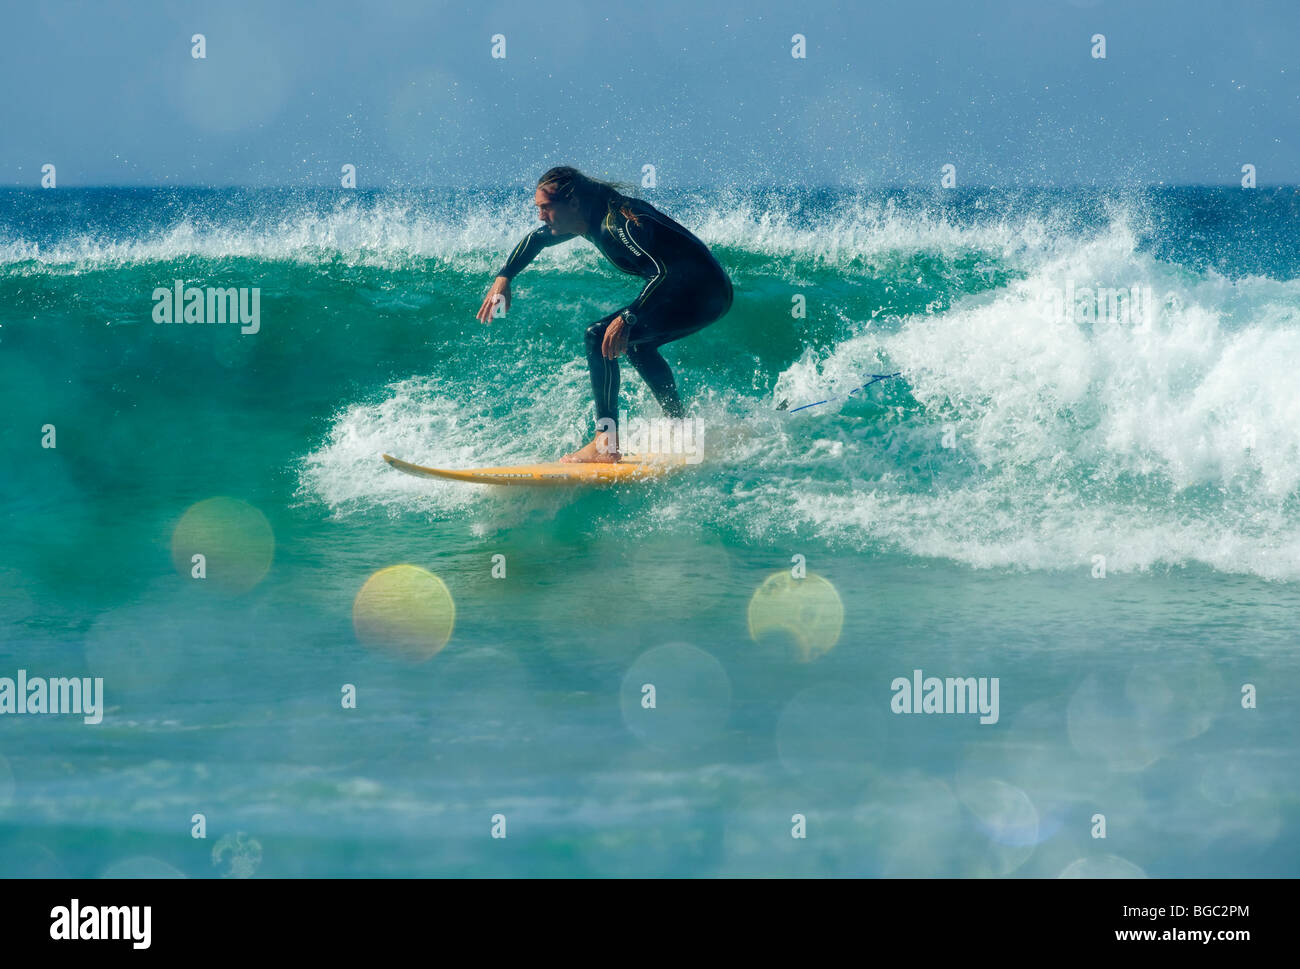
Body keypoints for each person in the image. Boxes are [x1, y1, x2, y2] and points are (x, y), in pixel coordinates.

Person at [476, 166, 733, 462]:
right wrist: (505, 276)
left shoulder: (616, 227)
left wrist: (629, 317)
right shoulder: (588, 218)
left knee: (599, 334)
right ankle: (680, 426)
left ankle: (605, 442)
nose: (541, 216)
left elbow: (667, 273)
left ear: (573, 203)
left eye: (546, 208)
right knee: (637, 345)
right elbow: (538, 238)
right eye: (538, 209)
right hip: (691, 291)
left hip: (704, 293)